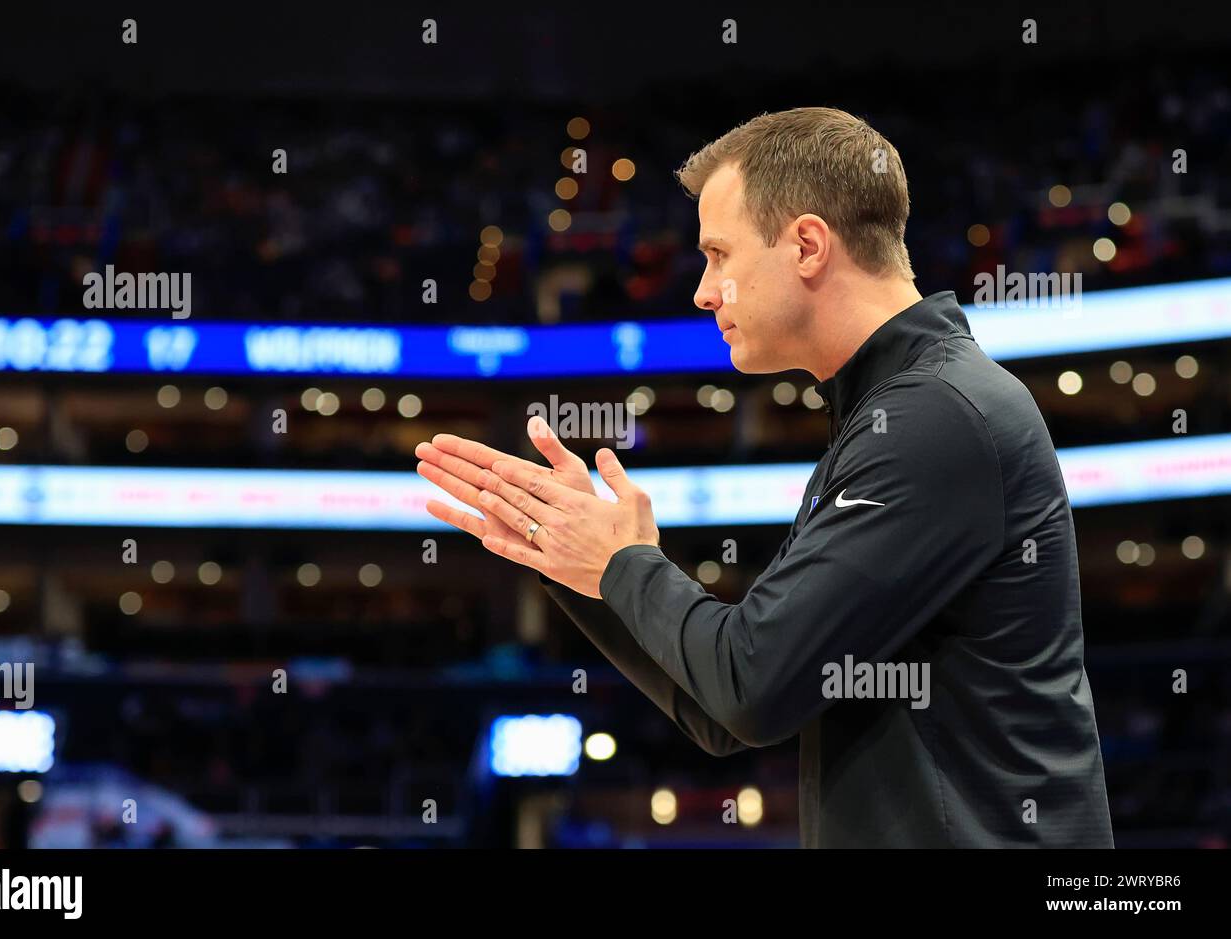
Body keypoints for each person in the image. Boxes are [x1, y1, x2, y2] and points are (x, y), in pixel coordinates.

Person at [415, 107, 1113, 847]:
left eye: (720, 254)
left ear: (808, 245)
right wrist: (577, 560)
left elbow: (752, 682)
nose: (704, 290)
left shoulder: (934, 418)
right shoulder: (896, 412)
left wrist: (624, 565)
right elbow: (724, 712)